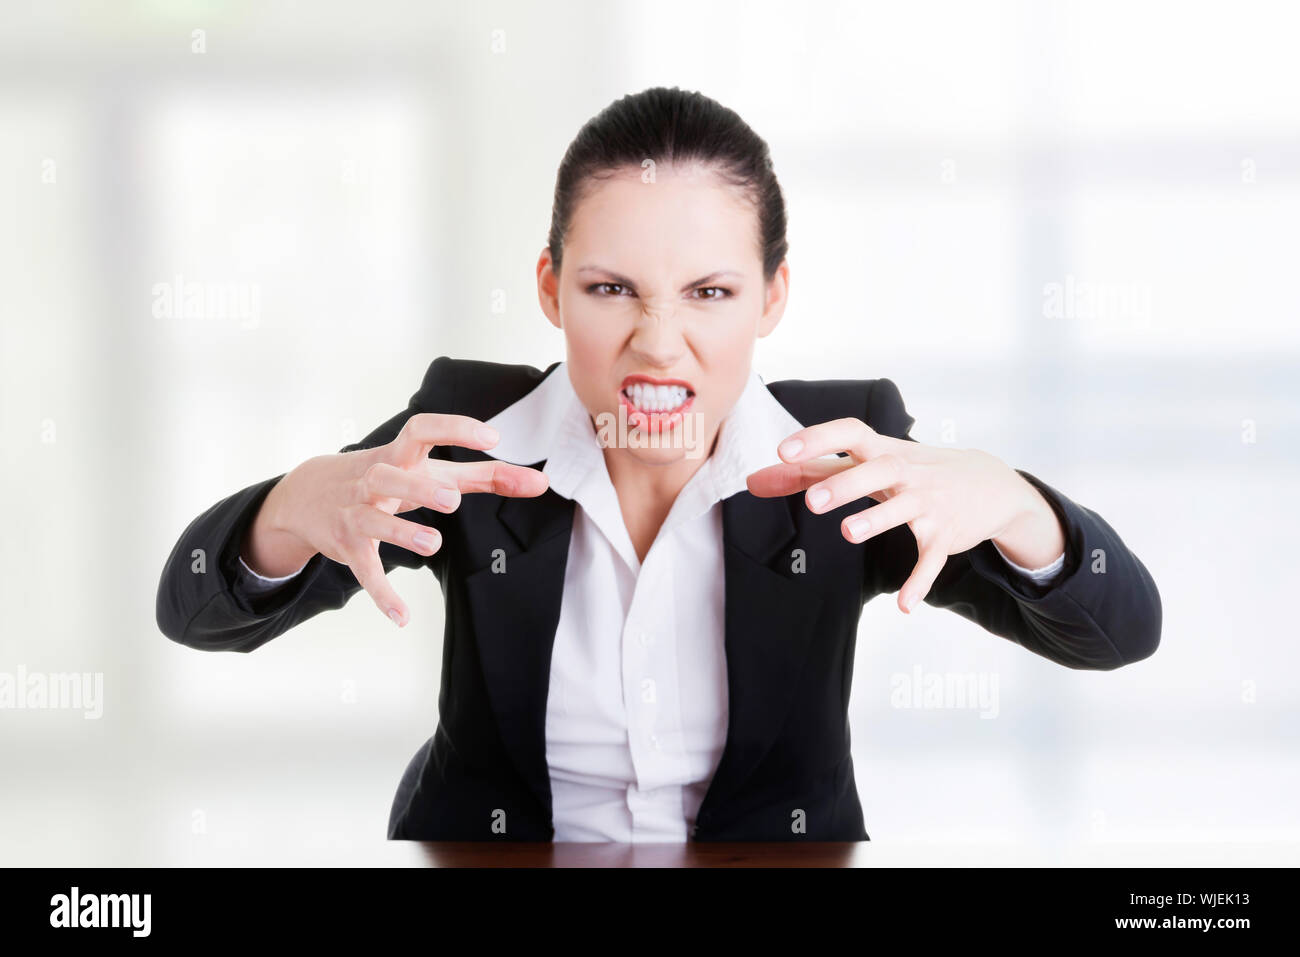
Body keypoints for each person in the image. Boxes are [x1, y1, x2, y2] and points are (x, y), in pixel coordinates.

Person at [156, 86, 1161, 842]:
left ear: (771, 298)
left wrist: (1017, 503)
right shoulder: (466, 428)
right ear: (551, 288)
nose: (658, 342)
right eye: (610, 288)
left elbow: (1121, 635)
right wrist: (288, 508)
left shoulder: (841, 449)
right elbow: (190, 610)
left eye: (710, 293)